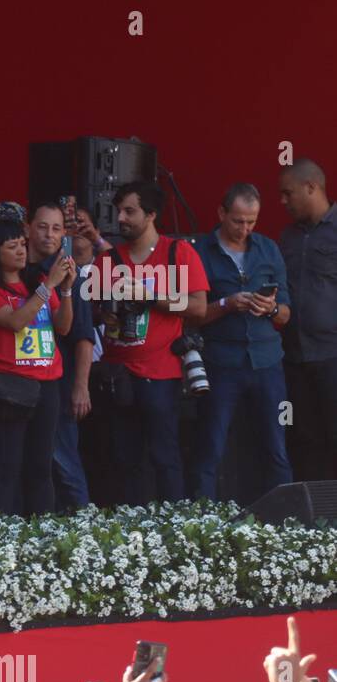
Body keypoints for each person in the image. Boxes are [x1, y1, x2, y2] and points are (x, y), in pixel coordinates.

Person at [94, 181, 208, 504]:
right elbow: (93, 315)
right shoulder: (108, 260)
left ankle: (173, 527)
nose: (121, 218)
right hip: (118, 374)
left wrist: (151, 296)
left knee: (165, 455)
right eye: (119, 211)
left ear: (152, 214)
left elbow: (199, 307)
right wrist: (106, 314)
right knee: (124, 458)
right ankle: (130, 533)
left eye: (130, 211)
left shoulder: (178, 252)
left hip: (161, 373)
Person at [190, 183, 292, 500]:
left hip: (267, 362)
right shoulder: (198, 250)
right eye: (238, 221)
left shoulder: (268, 248)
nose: (245, 229)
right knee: (211, 446)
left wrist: (271, 308)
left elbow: (286, 314)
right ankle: (200, 522)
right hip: (221, 362)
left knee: (276, 445)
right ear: (221, 213)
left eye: (252, 222)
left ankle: (285, 523)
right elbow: (188, 315)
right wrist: (226, 304)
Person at [0, 216, 74, 515]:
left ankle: (41, 531)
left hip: (48, 382)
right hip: (10, 387)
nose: (21, 252)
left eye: (23, 245)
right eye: (12, 246)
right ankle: (3, 532)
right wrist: (50, 286)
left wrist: (64, 290)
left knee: (41, 464)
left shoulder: (38, 282)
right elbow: (16, 322)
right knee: (7, 465)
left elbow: (64, 328)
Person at [25, 201, 94, 510]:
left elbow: (83, 337)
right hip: (18, 383)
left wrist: (81, 387)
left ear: (64, 234)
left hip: (60, 385)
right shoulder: (14, 270)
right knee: (25, 463)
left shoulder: (71, 276)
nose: (48, 235)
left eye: (56, 229)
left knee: (63, 459)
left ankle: (81, 528)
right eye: (42, 227)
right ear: (28, 228)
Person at [278, 158, 337, 482]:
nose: (282, 201)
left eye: (288, 193)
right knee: (306, 440)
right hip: (296, 357)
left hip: (333, 356)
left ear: (311, 187)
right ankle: (316, 525)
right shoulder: (286, 237)